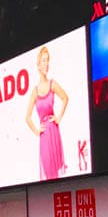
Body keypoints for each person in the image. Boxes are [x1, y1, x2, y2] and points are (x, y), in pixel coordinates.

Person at [24, 45, 69, 181]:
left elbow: (65, 98)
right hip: (44, 135)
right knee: (48, 171)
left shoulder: (52, 84)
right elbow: (27, 117)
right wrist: (37, 131)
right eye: (43, 60)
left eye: (47, 60)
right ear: (38, 65)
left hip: (53, 131)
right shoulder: (35, 91)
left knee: (56, 171)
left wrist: (59, 117)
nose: (46, 64)